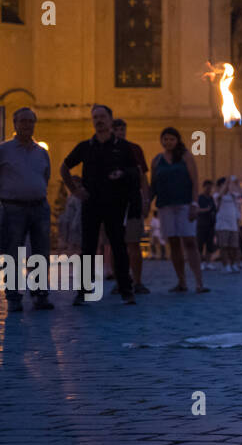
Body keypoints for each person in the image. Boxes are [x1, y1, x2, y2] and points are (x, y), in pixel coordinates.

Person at [60, 104, 139, 305]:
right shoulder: (85, 146)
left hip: (115, 203)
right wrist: (75, 191)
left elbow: (135, 172)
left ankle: (125, 289)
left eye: (102, 116)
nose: (99, 120)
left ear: (111, 120)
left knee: (118, 246)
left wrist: (122, 174)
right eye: (95, 117)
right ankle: (83, 291)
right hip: (91, 204)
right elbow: (64, 167)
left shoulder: (122, 147)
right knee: (87, 248)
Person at [0, 107, 55, 311]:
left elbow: (46, 177)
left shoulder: (41, 152)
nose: (27, 125)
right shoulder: (4, 150)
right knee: (13, 253)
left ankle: (40, 294)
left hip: (39, 207)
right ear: (14, 123)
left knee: (40, 253)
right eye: (23, 121)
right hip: (13, 208)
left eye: (30, 121)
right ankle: (13, 297)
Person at [150, 127, 206, 293]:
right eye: (165, 139)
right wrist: (146, 202)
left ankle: (199, 282)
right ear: (161, 141)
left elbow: (195, 181)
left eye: (171, 139)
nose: (168, 142)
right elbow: (153, 184)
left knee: (190, 241)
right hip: (165, 205)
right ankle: (181, 281)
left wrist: (195, 204)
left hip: (184, 204)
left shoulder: (186, 156)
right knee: (173, 243)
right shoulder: (157, 160)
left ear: (177, 140)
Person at [110, 118, 151, 295]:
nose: (120, 132)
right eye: (117, 129)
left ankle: (138, 281)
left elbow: (143, 177)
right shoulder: (106, 150)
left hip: (133, 201)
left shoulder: (135, 149)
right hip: (112, 203)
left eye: (122, 129)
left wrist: (146, 199)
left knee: (134, 243)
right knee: (115, 244)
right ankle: (120, 280)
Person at [213, 176, 242, 273]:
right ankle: (226, 265)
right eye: (225, 185)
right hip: (222, 224)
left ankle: (233, 263)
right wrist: (227, 182)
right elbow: (221, 194)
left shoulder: (233, 195)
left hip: (233, 224)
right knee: (224, 246)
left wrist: (237, 184)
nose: (227, 187)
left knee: (234, 246)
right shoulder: (217, 195)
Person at [195, 180, 216, 269]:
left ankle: (208, 263)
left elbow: (214, 209)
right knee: (200, 245)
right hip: (201, 225)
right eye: (207, 187)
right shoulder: (199, 198)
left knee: (210, 245)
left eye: (210, 187)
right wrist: (205, 210)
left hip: (210, 225)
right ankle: (200, 263)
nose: (209, 189)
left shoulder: (211, 198)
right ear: (204, 187)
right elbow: (196, 210)